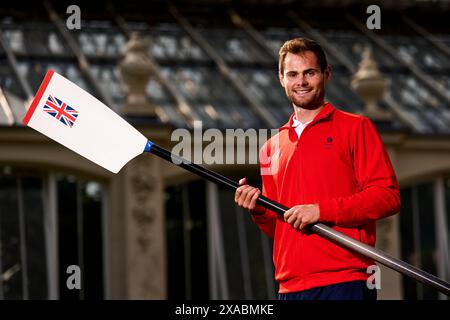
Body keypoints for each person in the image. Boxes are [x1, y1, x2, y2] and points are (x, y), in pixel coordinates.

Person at [234, 38, 401, 300]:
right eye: (292, 74)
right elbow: (277, 227)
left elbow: (387, 196)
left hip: (346, 279)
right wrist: (258, 209)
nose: (301, 82)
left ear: (326, 74)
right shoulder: (270, 147)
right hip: (290, 286)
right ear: (281, 78)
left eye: (309, 73)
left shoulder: (356, 128)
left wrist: (321, 211)